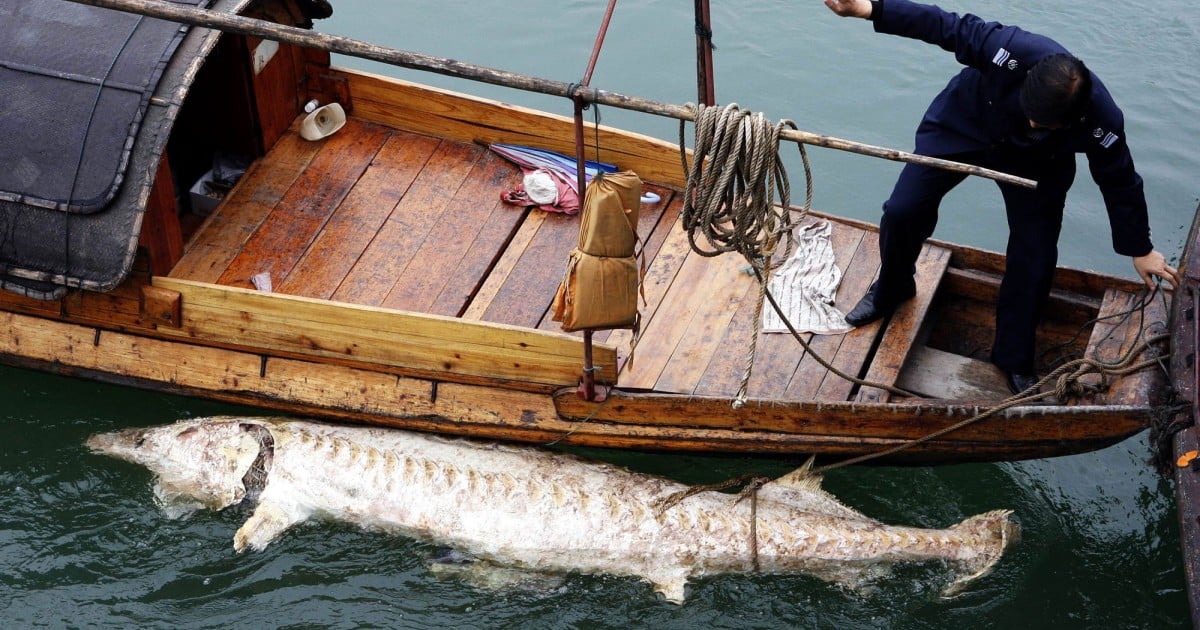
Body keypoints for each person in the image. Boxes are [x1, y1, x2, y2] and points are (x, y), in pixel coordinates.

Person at [823, 0, 1178, 394]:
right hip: (966, 125)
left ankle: (1012, 356)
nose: (1031, 121)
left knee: (1035, 255)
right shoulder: (1010, 49)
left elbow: (1120, 180)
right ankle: (893, 287)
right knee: (904, 209)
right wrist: (868, 8)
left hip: (1038, 162)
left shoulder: (1102, 121)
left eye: (1040, 121)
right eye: (1030, 112)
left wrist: (1140, 248)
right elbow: (944, 25)